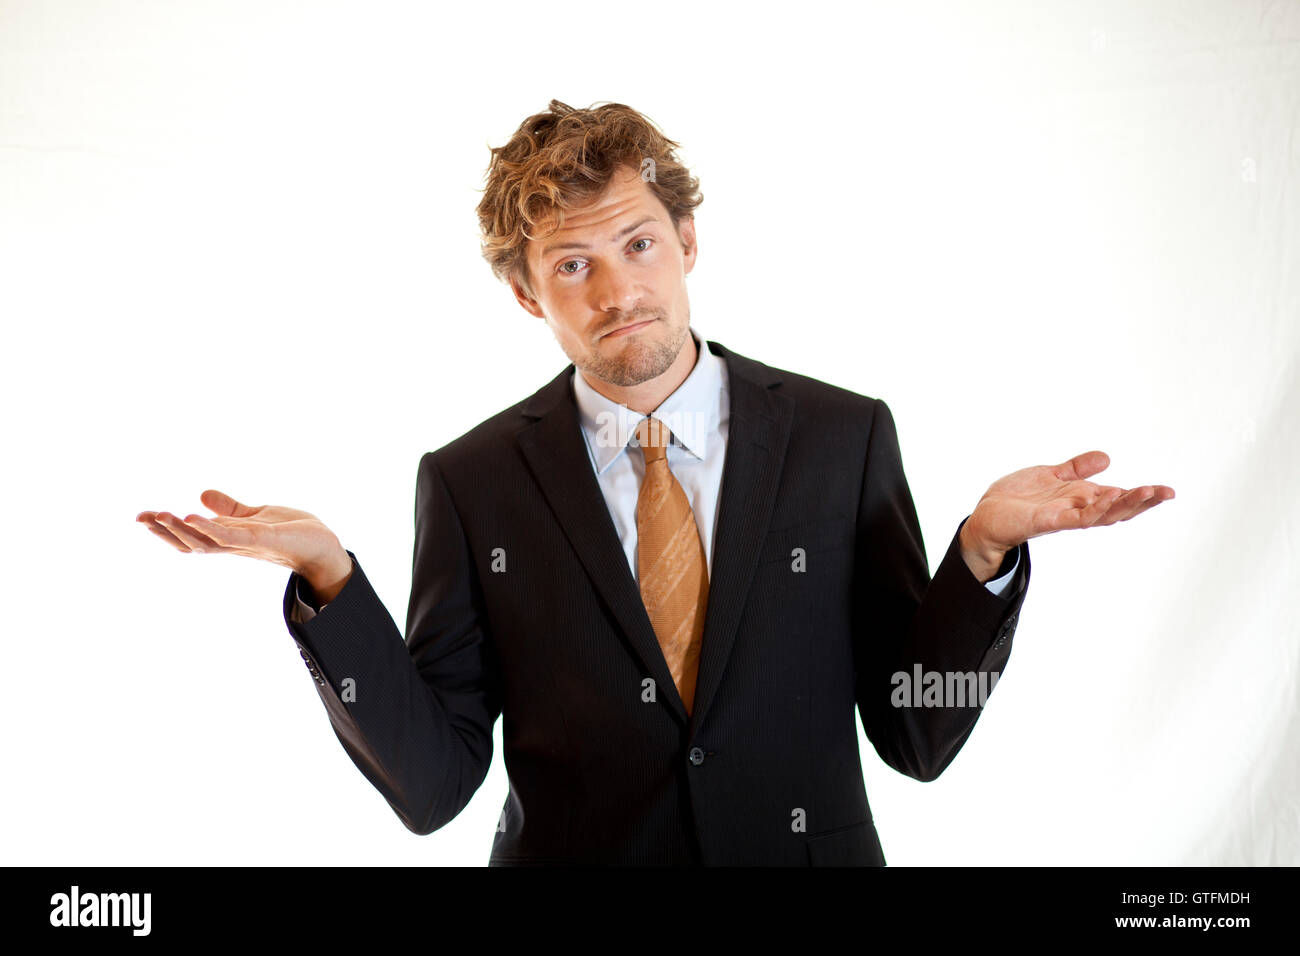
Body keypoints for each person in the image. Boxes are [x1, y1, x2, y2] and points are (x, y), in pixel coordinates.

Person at [137, 99, 1174, 866]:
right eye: (572, 264)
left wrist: (982, 556)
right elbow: (435, 783)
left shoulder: (839, 435)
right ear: (524, 292)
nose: (618, 288)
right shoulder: (470, 481)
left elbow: (913, 730)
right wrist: (331, 584)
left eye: (637, 243)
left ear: (685, 240)